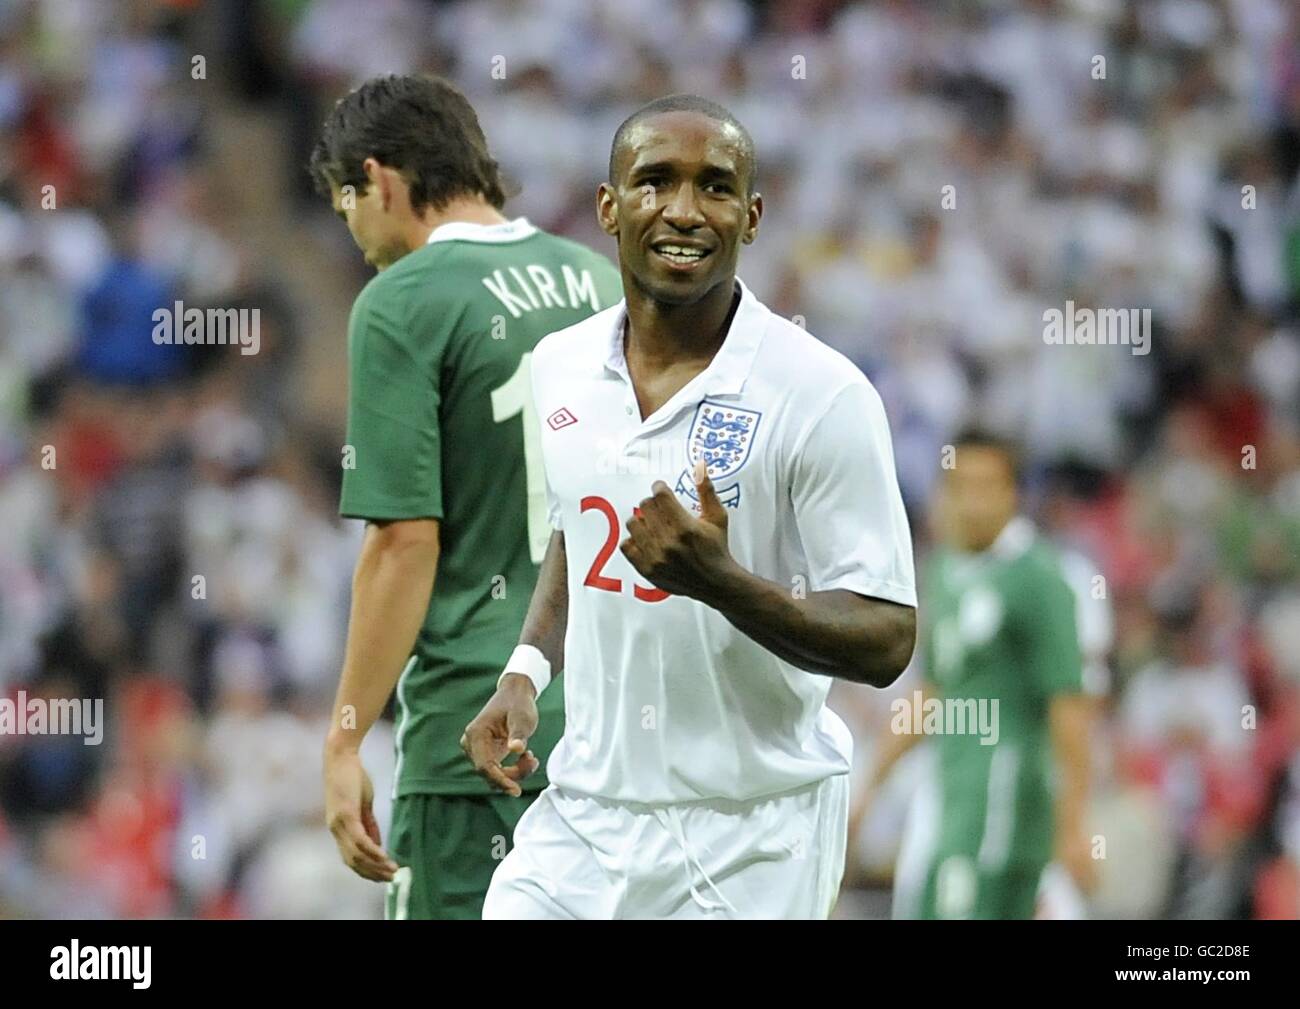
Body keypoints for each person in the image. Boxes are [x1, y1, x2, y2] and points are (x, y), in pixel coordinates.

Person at [461, 94, 917, 919]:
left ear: (752, 217)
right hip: (587, 812)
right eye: (654, 181)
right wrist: (526, 670)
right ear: (609, 206)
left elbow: (887, 637)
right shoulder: (560, 365)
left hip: (752, 830)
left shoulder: (821, 394)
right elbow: (580, 520)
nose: (682, 210)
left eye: (713, 187)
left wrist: (724, 582)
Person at [310, 73, 621, 919]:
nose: (355, 234)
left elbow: (405, 542)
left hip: (475, 738)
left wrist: (344, 738)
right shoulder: (601, 283)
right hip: (616, 729)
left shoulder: (401, 302)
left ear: (376, 179)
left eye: (346, 204)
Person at [874, 430, 1094, 919]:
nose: (971, 502)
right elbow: (932, 693)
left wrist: (1074, 825)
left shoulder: (1039, 578)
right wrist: (870, 784)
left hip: (1004, 805)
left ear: (1014, 493)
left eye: (986, 486)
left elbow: (1069, 706)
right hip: (949, 799)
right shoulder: (944, 571)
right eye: (959, 486)